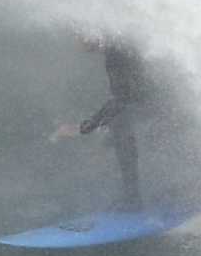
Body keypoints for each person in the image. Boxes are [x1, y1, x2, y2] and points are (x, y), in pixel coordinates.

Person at [52, 33, 158, 213]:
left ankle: (133, 200)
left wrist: (85, 127)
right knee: (113, 131)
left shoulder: (117, 53)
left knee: (119, 128)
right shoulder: (118, 45)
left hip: (167, 106)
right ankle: (134, 195)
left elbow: (124, 98)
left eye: (80, 36)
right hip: (162, 102)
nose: (77, 42)